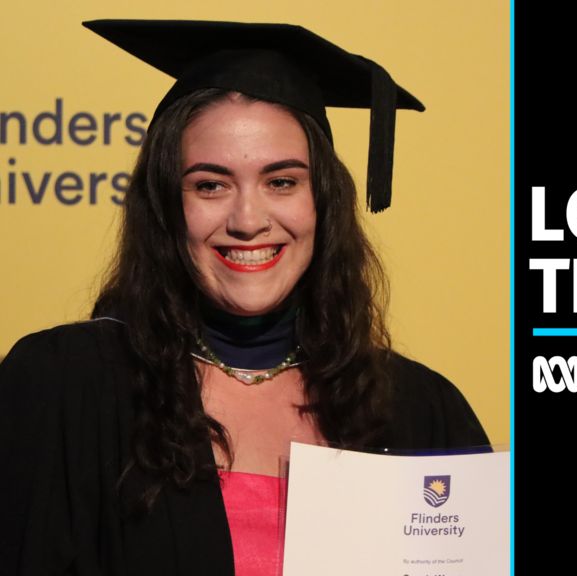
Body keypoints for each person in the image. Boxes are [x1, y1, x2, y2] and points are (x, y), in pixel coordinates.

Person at [0, 19, 490, 575]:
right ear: (166, 207)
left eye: (282, 181)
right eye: (210, 184)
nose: (248, 220)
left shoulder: (417, 410)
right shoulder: (64, 386)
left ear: (322, 203)